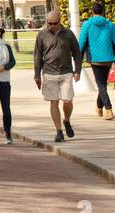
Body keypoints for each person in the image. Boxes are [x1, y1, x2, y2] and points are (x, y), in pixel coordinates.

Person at [32, 9, 82, 142]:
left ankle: (66, 120)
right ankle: (59, 131)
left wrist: (78, 71)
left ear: (60, 22)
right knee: (54, 102)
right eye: (50, 23)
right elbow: (37, 56)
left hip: (66, 72)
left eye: (55, 23)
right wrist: (37, 75)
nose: (52, 26)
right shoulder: (42, 35)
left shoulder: (68, 34)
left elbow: (77, 53)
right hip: (49, 73)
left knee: (67, 100)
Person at [78, 1, 115, 120]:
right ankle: (99, 108)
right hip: (108, 58)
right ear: (102, 11)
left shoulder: (87, 24)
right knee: (102, 84)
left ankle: (108, 109)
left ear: (92, 12)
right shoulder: (110, 24)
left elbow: (82, 41)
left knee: (101, 85)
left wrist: (78, 57)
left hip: (94, 59)